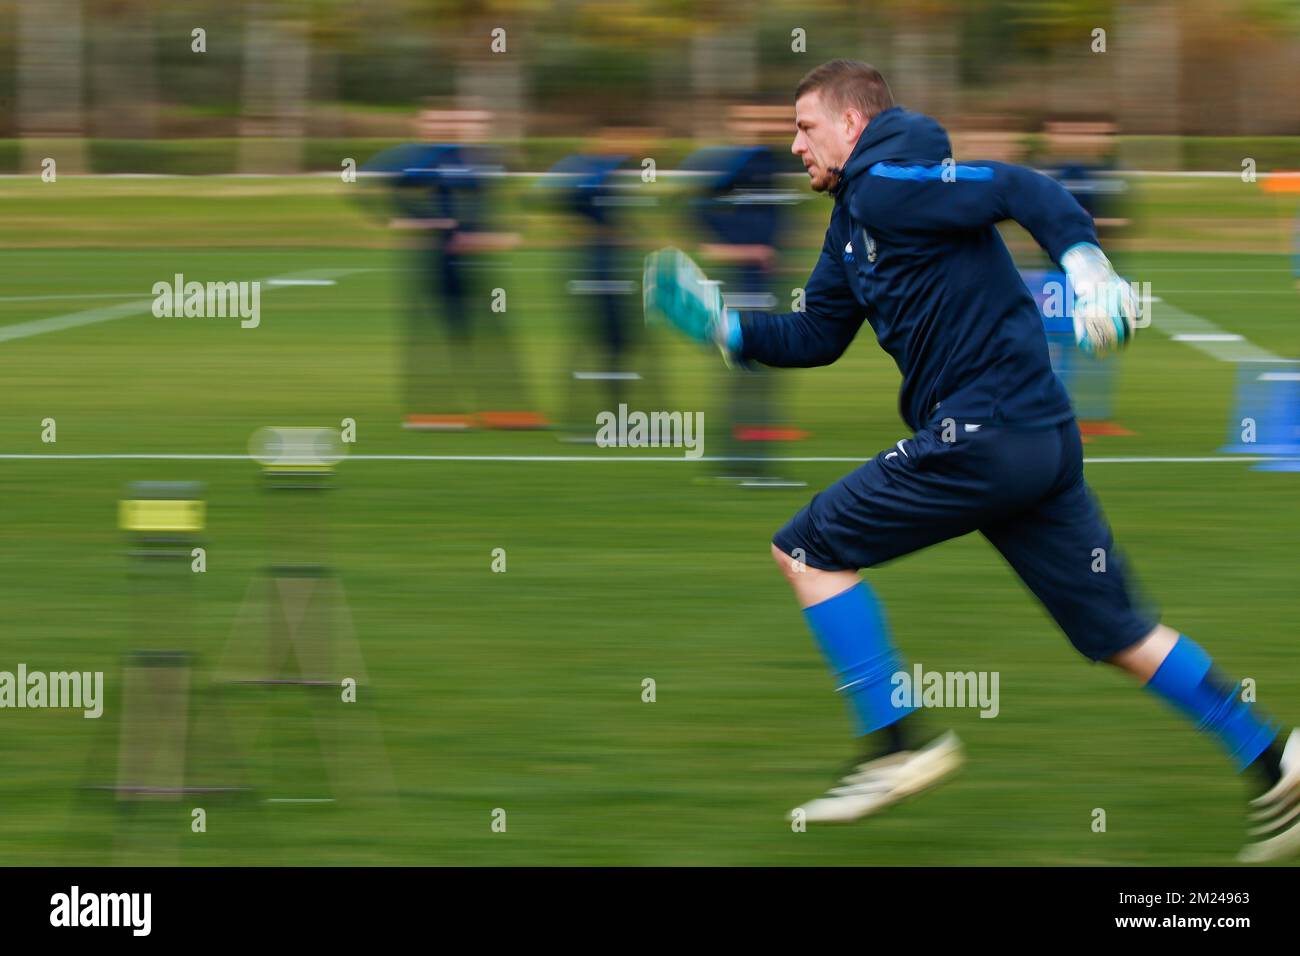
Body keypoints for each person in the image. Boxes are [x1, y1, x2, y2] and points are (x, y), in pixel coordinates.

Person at [643, 60, 1298, 862]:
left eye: (805, 127)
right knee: (1118, 633)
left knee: (805, 549)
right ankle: (1274, 759)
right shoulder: (855, 222)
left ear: (853, 126)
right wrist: (723, 325)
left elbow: (1024, 188)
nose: (792, 146)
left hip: (984, 434)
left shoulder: (890, 183)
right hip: (1034, 443)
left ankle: (896, 745)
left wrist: (1089, 270)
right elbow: (817, 336)